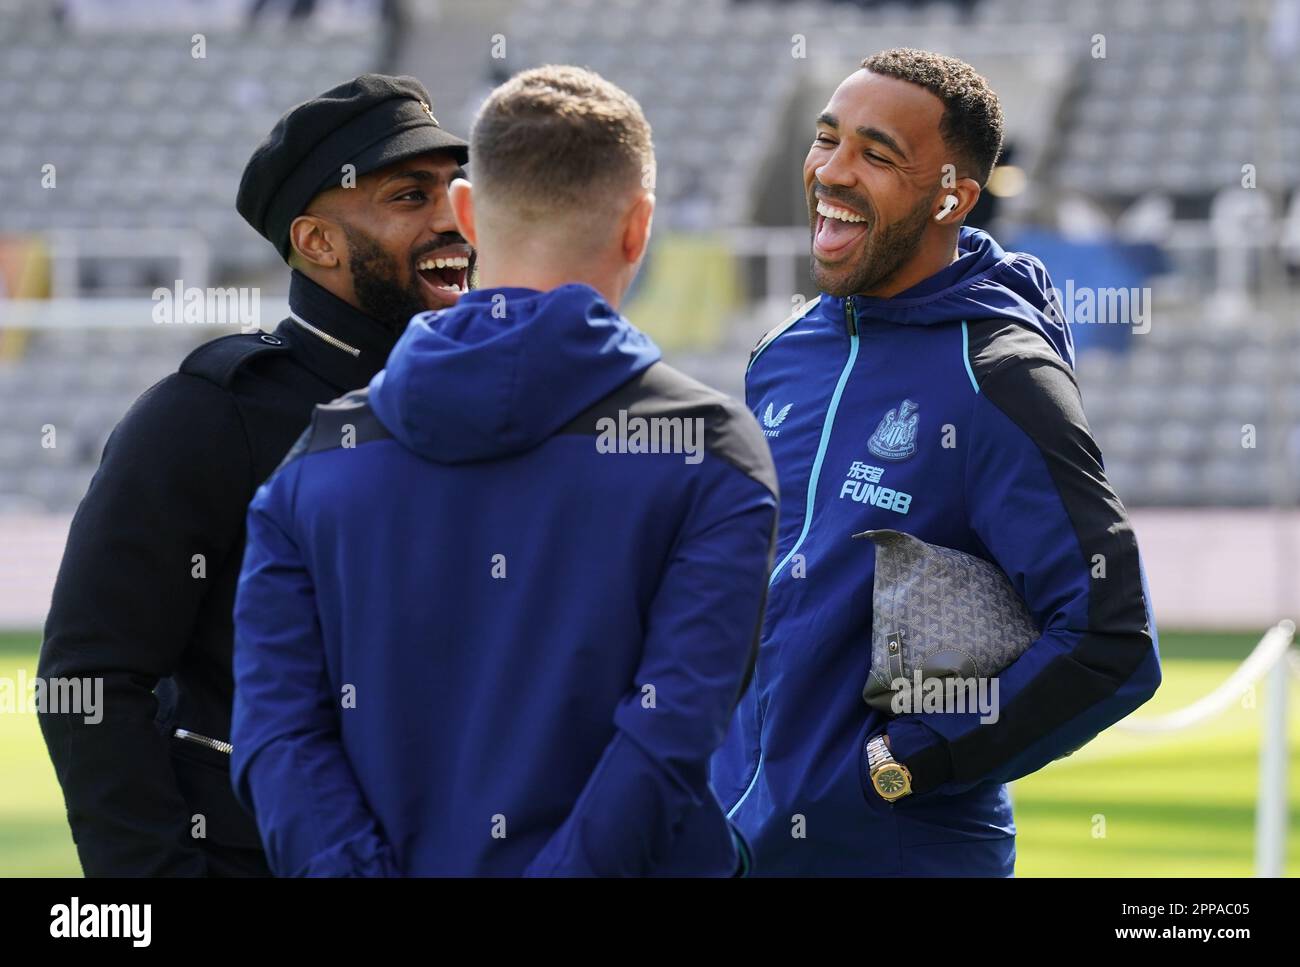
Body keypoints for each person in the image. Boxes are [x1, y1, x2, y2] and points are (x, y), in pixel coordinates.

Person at [230, 65, 777, 876]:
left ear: (465, 216)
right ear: (640, 228)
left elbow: (277, 740)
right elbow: (666, 738)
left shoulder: (314, 463)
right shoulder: (711, 452)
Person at [711, 48, 1162, 876]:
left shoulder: (1000, 374)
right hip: (740, 841)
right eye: (827, 139)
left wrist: (911, 758)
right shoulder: (783, 351)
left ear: (952, 195)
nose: (832, 172)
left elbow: (1110, 636)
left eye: (877, 154)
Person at [37, 73, 470, 876]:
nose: (454, 221)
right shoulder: (205, 415)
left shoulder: (494, 401)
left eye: (455, 190)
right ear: (318, 243)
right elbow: (87, 680)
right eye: (411, 197)